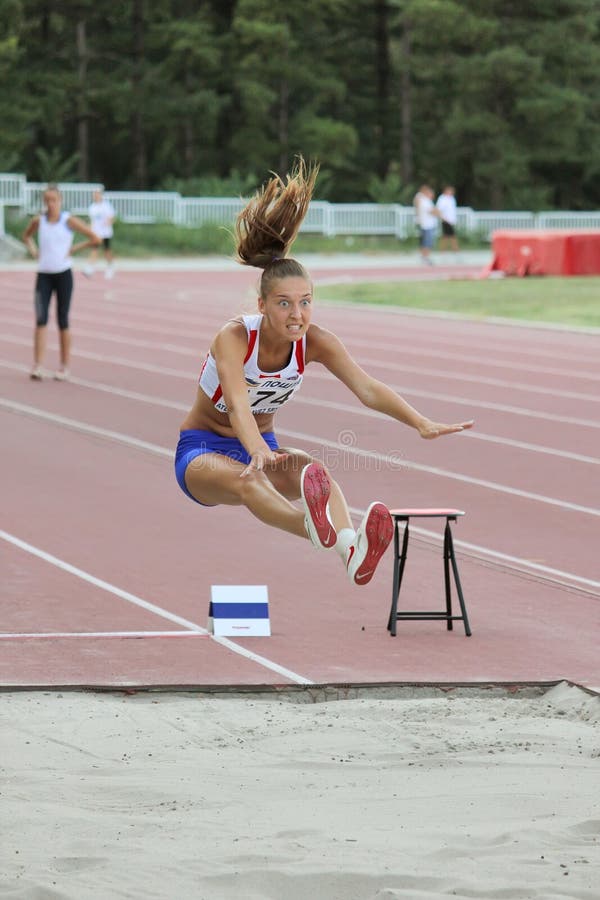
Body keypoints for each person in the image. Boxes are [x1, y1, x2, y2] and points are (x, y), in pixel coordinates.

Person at [175, 159, 474, 586]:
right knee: (250, 485)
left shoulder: (317, 341)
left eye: (306, 301)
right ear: (262, 305)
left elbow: (368, 389)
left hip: (264, 444)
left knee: (316, 472)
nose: (297, 314)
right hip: (202, 452)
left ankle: (352, 551)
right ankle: (311, 529)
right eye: (284, 303)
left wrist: (420, 423)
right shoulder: (234, 337)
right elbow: (238, 405)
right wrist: (256, 448)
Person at [22, 185, 101, 381]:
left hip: (63, 274)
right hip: (44, 275)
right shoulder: (38, 221)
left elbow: (95, 238)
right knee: (40, 319)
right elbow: (26, 236)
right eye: (47, 200)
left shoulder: (68, 220)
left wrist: (74, 248)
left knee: (62, 319)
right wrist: (33, 249)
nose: (50, 204)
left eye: (54, 200)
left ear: (60, 201)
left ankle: (64, 366)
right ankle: (38, 365)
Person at [84, 189, 116, 279]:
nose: (96, 196)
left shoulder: (106, 205)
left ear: (101, 195)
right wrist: (89, 231)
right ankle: (89, 268)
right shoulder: (92, 207)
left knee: (107, 251)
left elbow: (112, 217)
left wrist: (108, 222)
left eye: (97, 194)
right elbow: (91, 221)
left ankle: (111, 266)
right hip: (96, 233)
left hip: (106, 233)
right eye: (95, 194)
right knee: (94, 250)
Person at [413, 184, 439, 265]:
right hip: (426, 224)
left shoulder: (425, 200)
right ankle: (425, 257)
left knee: (425, 241)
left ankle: (424, 257)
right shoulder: (423, 199)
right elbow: (432, 211)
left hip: (427, 224)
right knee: (427, 242)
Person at [436, 185, 459, 251]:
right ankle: (454, 249)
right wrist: (443, 218)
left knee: (447, 235)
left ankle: (444, 249)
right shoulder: (442, 198)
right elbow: (439, 209)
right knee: (450, 235)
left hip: (451, 220)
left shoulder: (452, 198)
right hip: (445, 220)